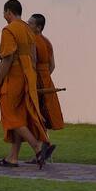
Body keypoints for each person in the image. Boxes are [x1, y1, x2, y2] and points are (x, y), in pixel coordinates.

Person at [0, 0, 53, 168]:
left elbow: (8, 58)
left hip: (14, 78)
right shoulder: (27, 29)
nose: (3, 16)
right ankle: (13, 157)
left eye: (4, 13)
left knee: (10, 116)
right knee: (19, 118)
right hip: (28, 77)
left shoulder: (9, 30)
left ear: (8, 12)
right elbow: (33, 57)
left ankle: (38, 147)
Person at [27, 13, 64, 143]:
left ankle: (42, 149)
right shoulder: (48, 42)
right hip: (47, 80)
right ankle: (42, 149)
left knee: (38, 115)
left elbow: (33, 62)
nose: (27, 25)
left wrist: (33, 81)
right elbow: (52, 65)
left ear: (39, 27)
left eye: (30, 23)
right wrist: (45, 76)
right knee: (44, 114)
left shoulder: (33, 41)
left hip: (38, 81)